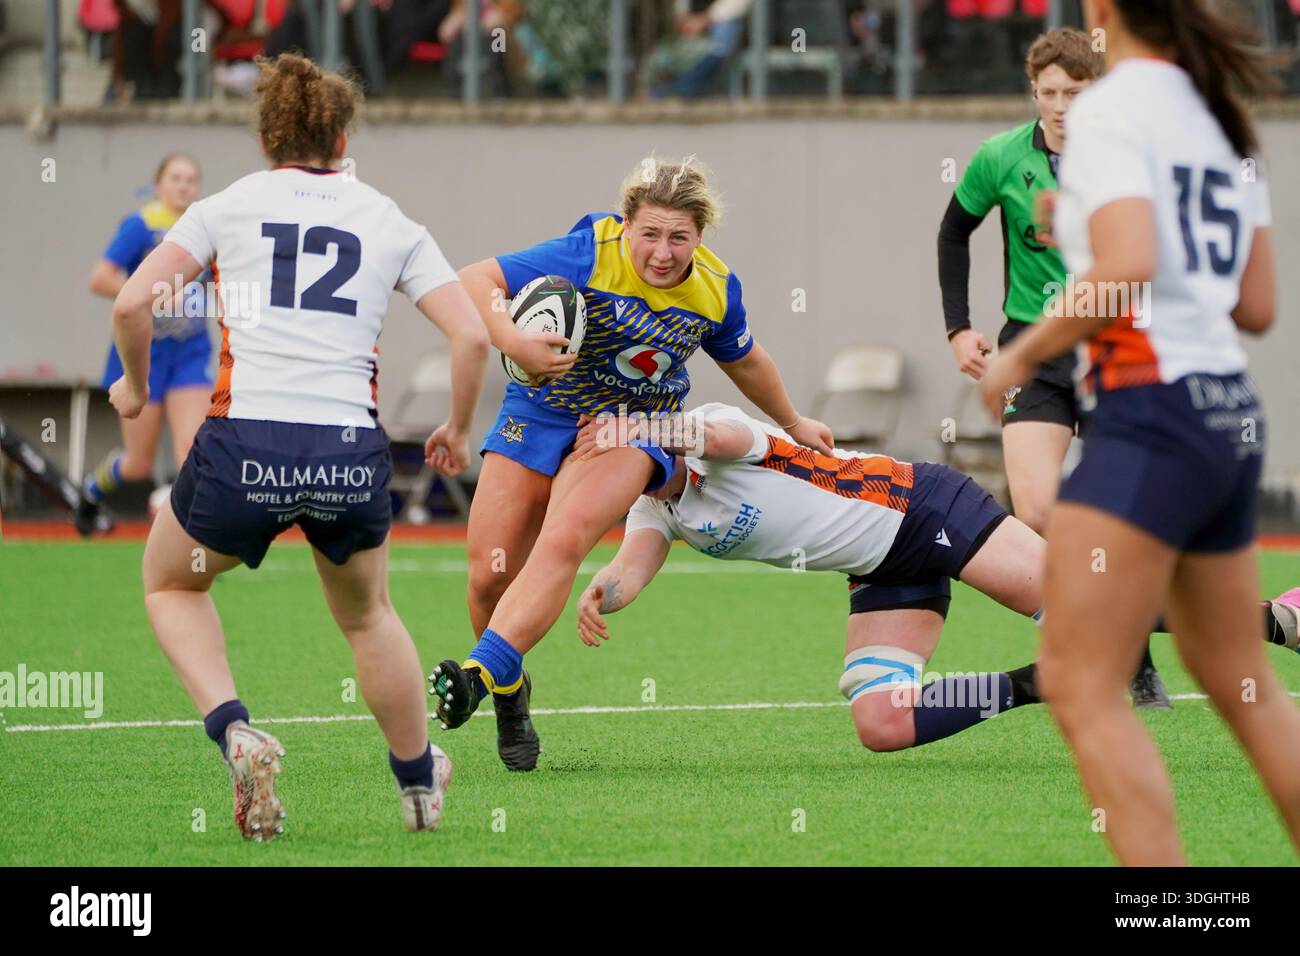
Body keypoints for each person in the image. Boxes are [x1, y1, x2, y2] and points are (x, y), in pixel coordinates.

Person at [108, 53, 489, 839]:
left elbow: (133, 302)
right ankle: (418, 786)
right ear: (342, 134)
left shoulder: (227, 205)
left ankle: (235, 731)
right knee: (368, 617)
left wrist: (137, 391)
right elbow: (473, 337)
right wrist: (455, 429)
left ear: (265, 136)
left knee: (170, 585)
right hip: (349, 450)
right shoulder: (387, 216)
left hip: (242, 445)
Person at [981, 0, 1300, 865]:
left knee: (1081, 681)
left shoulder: (1113, 107)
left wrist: (1022, 356)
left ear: (1102, 12)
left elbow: (1126, 269)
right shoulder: (1219, 115)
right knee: (1245, 685)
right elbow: (1256, 305)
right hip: (1228, 416)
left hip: (1150, 412)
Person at [572, 404, 1300, 753]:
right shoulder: (654, 509)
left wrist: (640, 428)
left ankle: (1279, 620)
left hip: (922, 505)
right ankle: (1043, 683)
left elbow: (732, 434)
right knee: (882, 725)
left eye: (636, 462)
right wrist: (603, 591)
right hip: (880, 569)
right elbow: (633, 566)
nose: (635, 479)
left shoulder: (708, 434)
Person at [430, 157, 834, 771]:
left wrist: (794, 422)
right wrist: (512, 342)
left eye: (680, 237)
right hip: (539, 411)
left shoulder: (716, 291)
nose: (664, 252)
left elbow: (746, 360)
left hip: (631, 427)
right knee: (490, 575)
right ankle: (511, 692)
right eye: (650, 233)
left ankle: (478, 674)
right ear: (627, 226)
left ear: (701, 235)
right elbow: (471, 279)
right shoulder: (589, 251)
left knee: (563, 539)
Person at [937, 27, 1172, 707]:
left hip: (1115, 354)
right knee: (1036, 508)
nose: (1061, 106)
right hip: (1032, 353)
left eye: (1075, 91)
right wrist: (958, 328)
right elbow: (955, 231)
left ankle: (1131, 648)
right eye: (1049, 93)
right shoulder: (1002, 157)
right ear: (1032, 92)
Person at [79, 153, 213, 536]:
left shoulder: (205, 227)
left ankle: (188, 537)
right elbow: (100, 278)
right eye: (175, 178)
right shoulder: (141, 225)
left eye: (191, 179)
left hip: (191, 352)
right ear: (159, 185)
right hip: (143, 352)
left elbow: (216, 282)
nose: (184, 185)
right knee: (138, 463)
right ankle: (89, 493)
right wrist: (147, 295)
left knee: (192, 451)